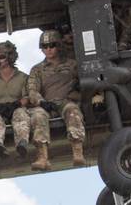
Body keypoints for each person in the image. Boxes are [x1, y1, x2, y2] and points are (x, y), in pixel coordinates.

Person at [27, 31, 87, 171]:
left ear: (59, 46)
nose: (48, 49)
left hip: (66, 101)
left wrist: (76, 94)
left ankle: (78, 153)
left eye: (52, 45)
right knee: (38, 116)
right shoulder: (37, 70)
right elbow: (32, 91)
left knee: (72, 111)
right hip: (47, 104)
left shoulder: (72, 65)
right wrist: (42, 102)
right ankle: (42, 158)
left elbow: (84, 84)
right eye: (44, 46)